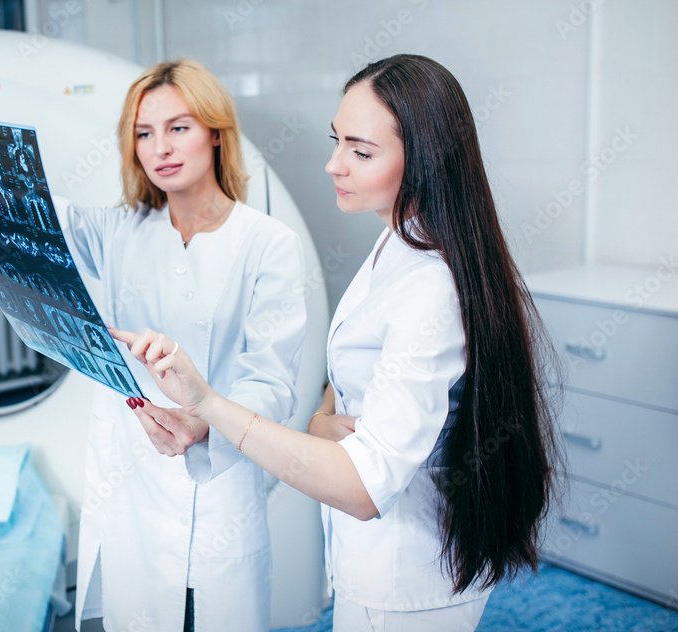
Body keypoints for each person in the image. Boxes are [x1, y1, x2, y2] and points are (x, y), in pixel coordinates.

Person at [113, 54, 562, 632]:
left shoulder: (428, 285)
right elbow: (347, 376)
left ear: (424, 158)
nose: (333, 164)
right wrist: (324, 425)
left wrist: (208, 403)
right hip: (374, 560)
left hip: (404, 576)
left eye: (360, 151)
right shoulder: (399, 245)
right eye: (337, 141)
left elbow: (362, 486)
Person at [0, 59, 307, 632]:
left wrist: (203, 423)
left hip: (217, 494)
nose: (160, 147)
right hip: (132, 491)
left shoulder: (267, 244)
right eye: (143, 133)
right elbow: (10, 210)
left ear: (215, 131)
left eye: (178, 127)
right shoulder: (113, 232)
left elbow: (273, 384)